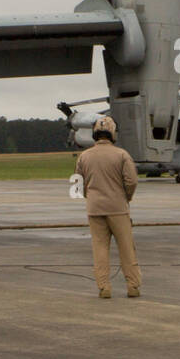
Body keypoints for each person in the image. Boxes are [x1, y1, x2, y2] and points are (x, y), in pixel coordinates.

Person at [75, 116, 141, 298]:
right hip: (118, 207)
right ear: (113, 134)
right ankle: (133, 285)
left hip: (94, 208)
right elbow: (132, 181)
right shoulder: (122, 155)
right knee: (127, 248)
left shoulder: (84, 156)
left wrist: (90, 197)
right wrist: (126, 197)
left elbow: (77, 184)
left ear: (95, 134)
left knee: (100, 248)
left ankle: (104, 287)